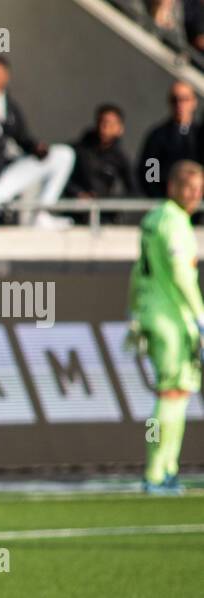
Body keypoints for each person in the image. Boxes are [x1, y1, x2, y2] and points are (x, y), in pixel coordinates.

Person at [127, 160, 204, 494]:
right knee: (172, 394)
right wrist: (200, 315)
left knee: (174, 393)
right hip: (172, 318)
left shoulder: (153, 218)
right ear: (172, 187)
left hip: (151, 312)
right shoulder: (174, 222)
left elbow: (138, 270)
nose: (195, 195)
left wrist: (134, 309)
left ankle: (167, 468)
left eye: (199, 189)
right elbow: (180, 272)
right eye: (190, 188)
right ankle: (157, 472)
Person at [0, 57, 75, 230]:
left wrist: (37, 147)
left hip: (11, 169)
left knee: (63, 155)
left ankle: (42, 213)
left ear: (6, 76)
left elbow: (22, 137)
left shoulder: (11, 106)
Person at [139, 82, 203, 200]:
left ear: (194, 102)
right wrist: (157, 195)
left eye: (185, 99)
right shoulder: (157, 136)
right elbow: (150, 172)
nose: (180, 104)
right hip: (167, 200)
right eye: (175, 100)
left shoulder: (200, 134)